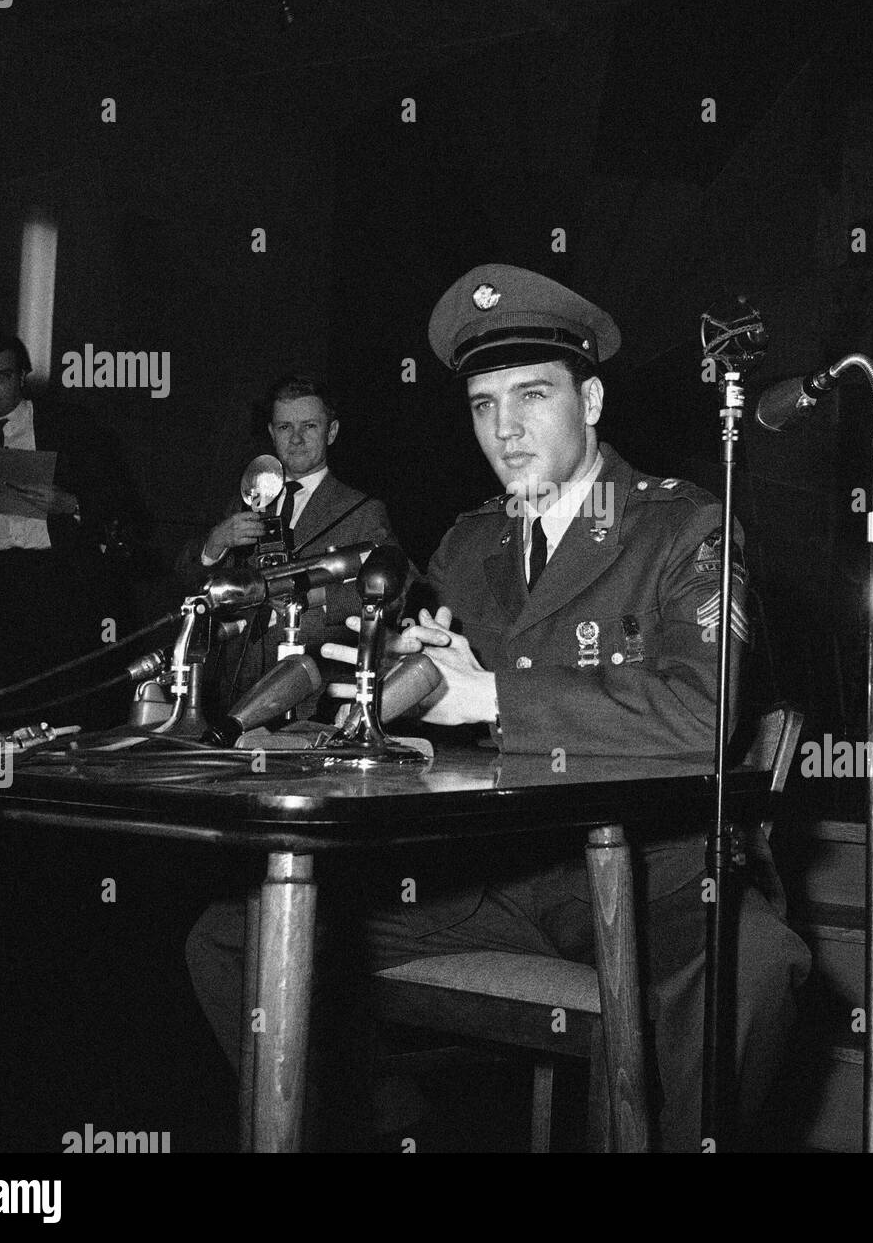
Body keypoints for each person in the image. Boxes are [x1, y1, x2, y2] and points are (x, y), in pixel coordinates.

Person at [187, 267, 810, 1151]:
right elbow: (421, 684)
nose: (505, 430)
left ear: (590, 399)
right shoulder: (472, 540)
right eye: (482, 405)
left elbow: (704, 716)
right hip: (500, 876)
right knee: (231, 938)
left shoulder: (685, 527)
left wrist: (492, 694)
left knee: (759, 969)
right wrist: (388, 681)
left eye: (531, 396)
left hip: (654, 878)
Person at [0, 332, 145, 706]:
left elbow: (121, 501)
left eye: (2, 375)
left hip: (62, 583)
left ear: (22, 377)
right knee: (0, 707)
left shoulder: (71, 427)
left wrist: (71, 503)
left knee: (67, 702)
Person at [174, 374, 404, 718]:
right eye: (285, 428)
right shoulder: (247, 501)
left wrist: (314, 597)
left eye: (309, 426)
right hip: (234, 692)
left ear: (332, 432)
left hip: (316, 693)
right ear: (271, 433)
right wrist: (215, 543)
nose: (296, 439)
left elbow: (396, 592)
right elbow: (187, 580)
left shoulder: (362, 509)